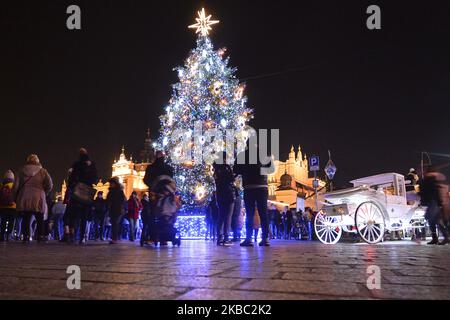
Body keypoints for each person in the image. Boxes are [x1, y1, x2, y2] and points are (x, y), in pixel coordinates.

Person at [234, 141, 274, 247]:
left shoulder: (243, 155)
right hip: (262, 186)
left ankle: (249, 239)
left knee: (250, 214)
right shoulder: (263, 154)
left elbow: (235, 169)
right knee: (263, 213)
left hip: (249, 186)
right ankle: (265, 239)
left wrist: (245, 170)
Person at [14, 154, 53, 243]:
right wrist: (44, 192)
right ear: (38, 161)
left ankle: (26, 237)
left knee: (26, 218)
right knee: (39, 218)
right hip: (39, 196)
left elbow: (16, 185)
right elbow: (50, 184)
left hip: (25, 195)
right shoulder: (43, 171)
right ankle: (40, 236)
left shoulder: (21, 170)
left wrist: (15, 196)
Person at [65, 148, 99, 245]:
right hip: (87, 191)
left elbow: (71, 178)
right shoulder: (92, 164)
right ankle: (82, 237)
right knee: (84, 215)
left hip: (77, 190)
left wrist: (71, 186)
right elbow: (95, 178)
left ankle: (73, 235)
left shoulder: (76, 164)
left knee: (74, 214)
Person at [419, 166, 449, 245]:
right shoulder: (433, 179)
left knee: (431, 218)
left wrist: (419, 193)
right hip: (435, 202)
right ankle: (436, 238)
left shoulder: (429, 179)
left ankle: (445, 237)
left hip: (433, 202)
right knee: (433, 219)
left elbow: (429, 191)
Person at [213, 152, 236, 246]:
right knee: (228, 216)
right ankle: (226, 238)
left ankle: (219, 237)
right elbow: (231, 179)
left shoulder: (216, 169)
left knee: (221, 216)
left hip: (220, 194)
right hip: (229, 194)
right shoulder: (226, 167)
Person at [107, 177, 126, 244]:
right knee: (114, 223)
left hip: (118, 209)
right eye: (110, 183)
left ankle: (115, 238)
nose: (110, 184)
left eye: (112, 183)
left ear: (115, 183)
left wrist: (122, 208)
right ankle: (115, 237)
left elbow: (123, 201)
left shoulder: (120, 191)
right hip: (112, 209)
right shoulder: (110, 191)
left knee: (115, 223)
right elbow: (108, 200)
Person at [0, 170, 16, 242]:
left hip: (2, 207)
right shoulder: (14, 186)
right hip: (13, 207)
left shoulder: (1, 186)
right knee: (11, 222)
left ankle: (2, 235)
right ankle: (9, 235)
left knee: (3, 221)